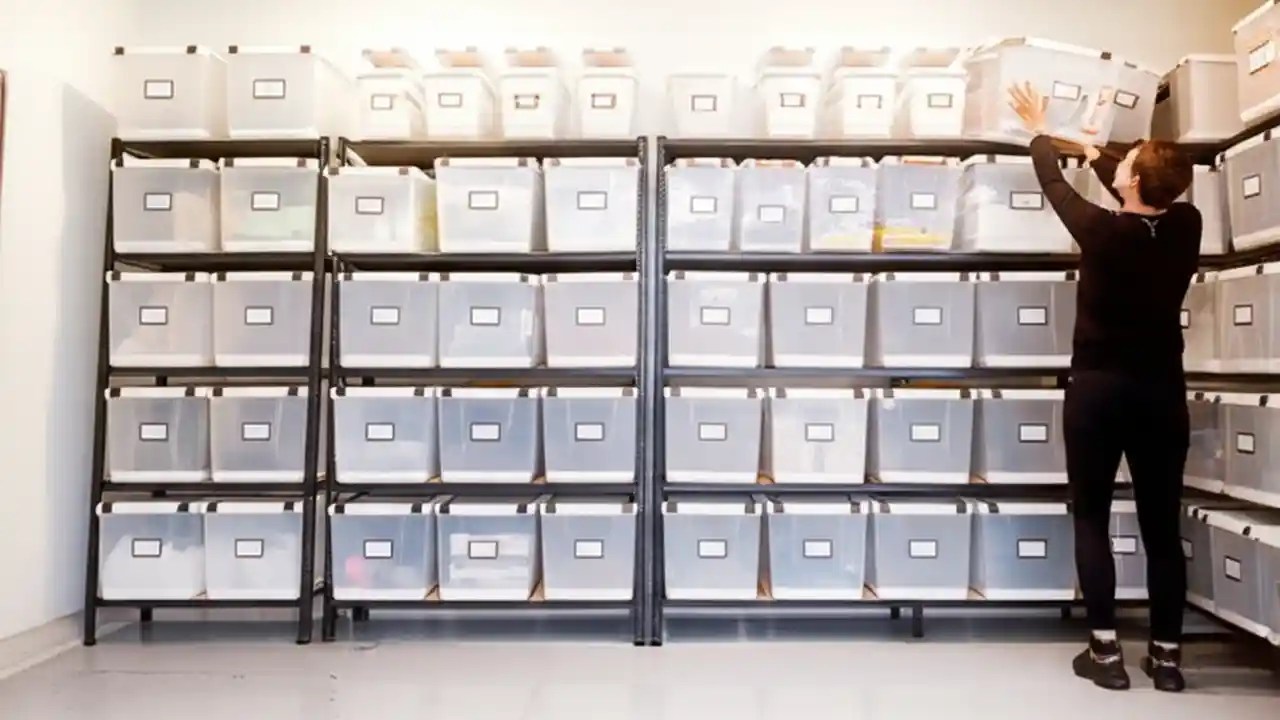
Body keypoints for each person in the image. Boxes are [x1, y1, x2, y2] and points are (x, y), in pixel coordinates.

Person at [1008, 83, 1200, 693]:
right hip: (1162, 395)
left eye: (1129, 158)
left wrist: (1039, 131)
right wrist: (1097, 155)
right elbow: (1139, 196)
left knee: (1091, 516)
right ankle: (1167, 659)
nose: (1123, 159)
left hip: (1098, 393)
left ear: (1134, 182)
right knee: (1161, 527)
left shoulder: (1103, 232)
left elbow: (1052, 183)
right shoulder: (1186, 224)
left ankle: (1106, 652)